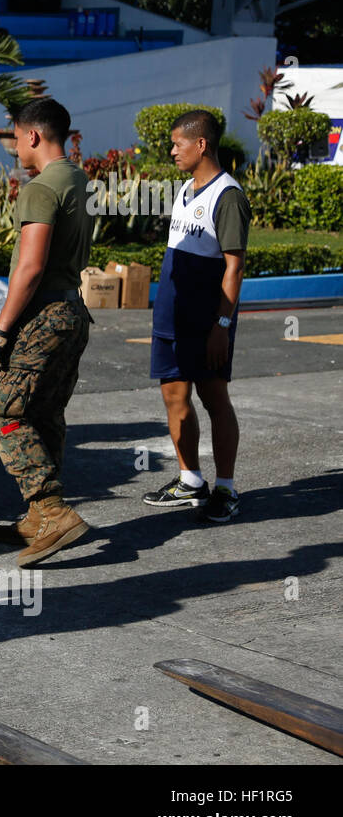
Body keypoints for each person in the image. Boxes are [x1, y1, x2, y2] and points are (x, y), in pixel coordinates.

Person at [0, 97, 93, 567]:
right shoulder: (80, 180)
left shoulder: (40, 188)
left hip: (43, 316)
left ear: (32, 136)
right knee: (45, 412)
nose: (14, 147)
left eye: (14, 136)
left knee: (4, 410)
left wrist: (1, 329)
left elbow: (30, 266)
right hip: (72, 312)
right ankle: (37, 514)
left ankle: (50, 509)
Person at [142, 110, 250, 523]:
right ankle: (190, 480)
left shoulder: (229, 196)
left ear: (200, 144)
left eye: (177, 144)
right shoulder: (186, 187)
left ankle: (226, 488)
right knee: (174, 395)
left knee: (214, 398)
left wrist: (221, 326)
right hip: (171, 315)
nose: (172, 151)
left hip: (207, 321)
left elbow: (234, 268)